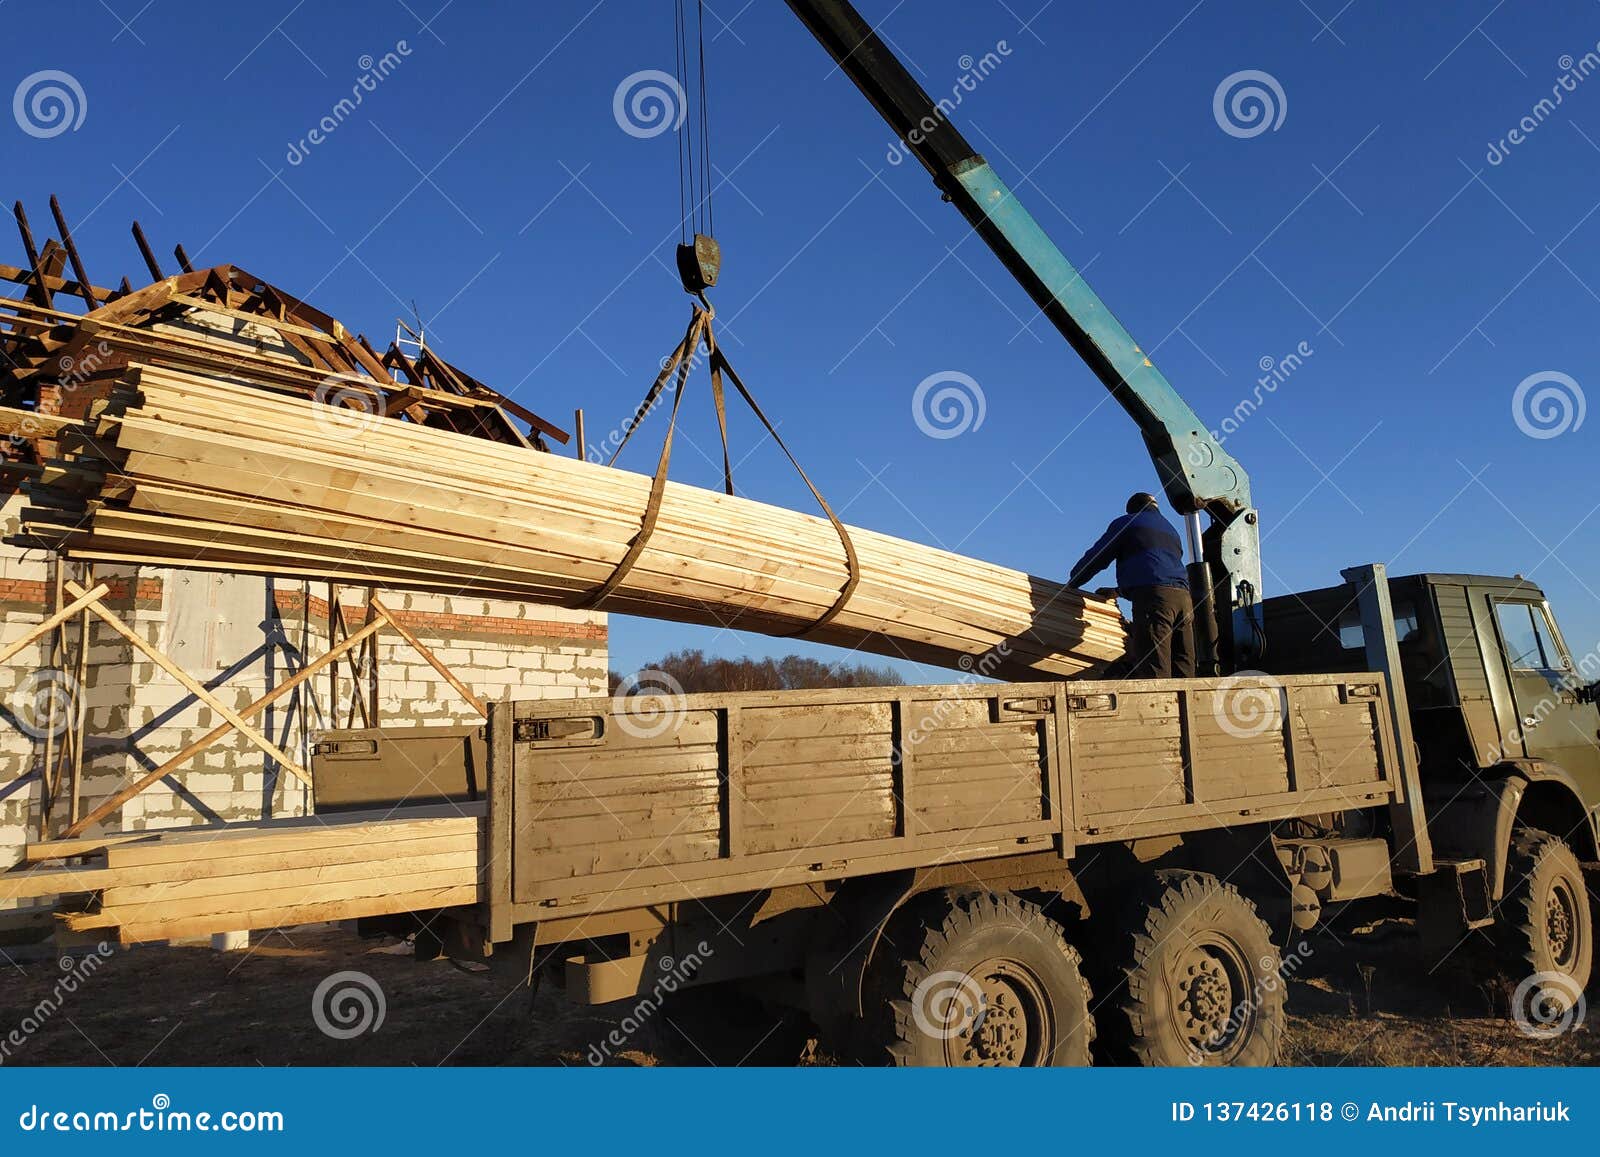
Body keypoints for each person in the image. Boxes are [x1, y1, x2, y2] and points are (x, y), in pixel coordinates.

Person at [1068, 492, 1195, 679]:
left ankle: (1159, 707)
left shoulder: (1128, 522)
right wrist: (1119, 592)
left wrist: (1074, 581)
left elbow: (1098, 556)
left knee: (1155, 668)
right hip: (1184, 600)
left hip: (1155, 601)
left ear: (1132, 509)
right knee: (1183, 665)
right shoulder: (1171, 530)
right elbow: (1157, 568)